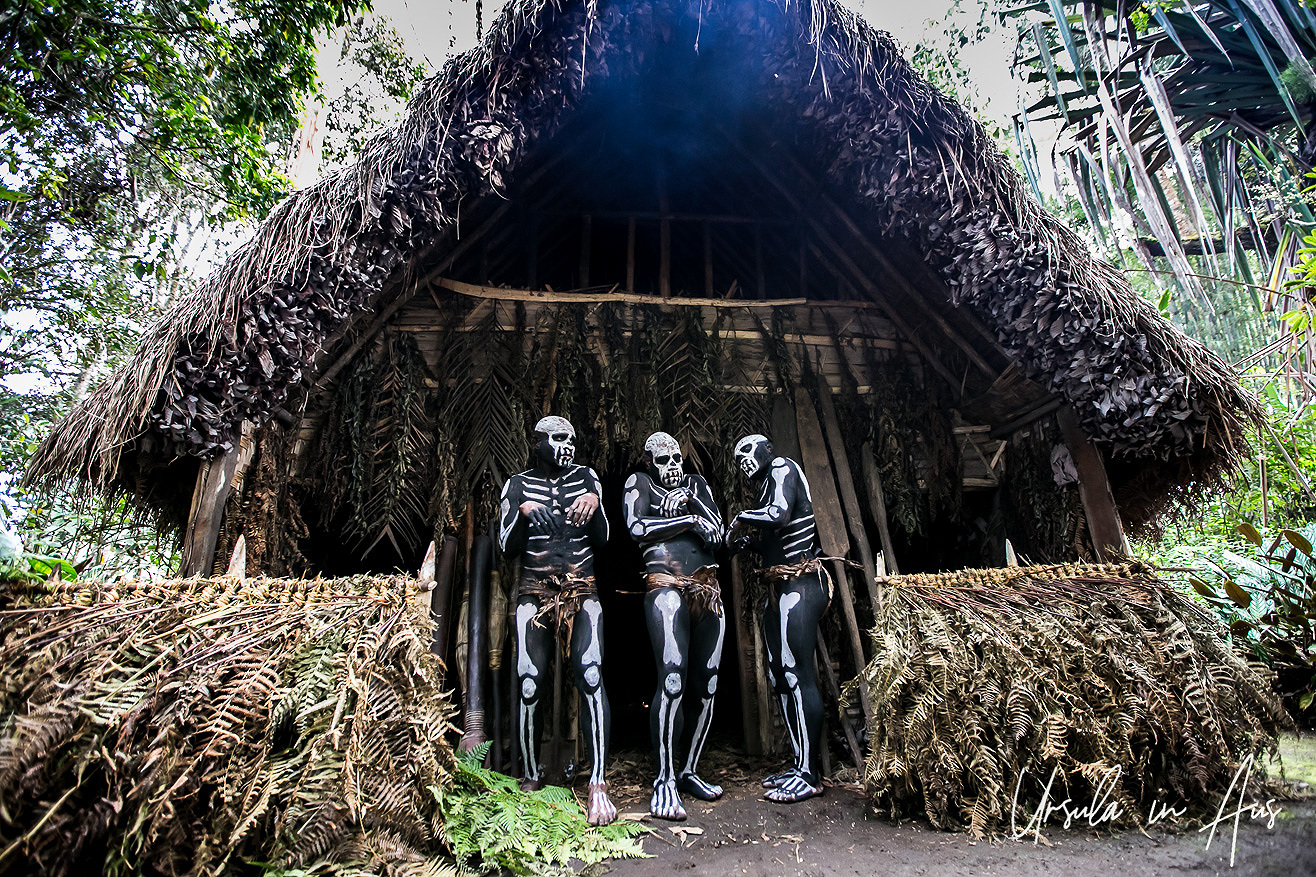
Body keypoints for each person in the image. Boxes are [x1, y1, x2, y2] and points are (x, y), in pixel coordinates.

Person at [497, 415, 616, 826]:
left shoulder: (587, 478)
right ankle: (531, 776)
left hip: (583, 590)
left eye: (572, 437)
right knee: (530, 681)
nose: (568, 444)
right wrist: (524, 511)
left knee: (592, 675)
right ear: (538, 442)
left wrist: (597, 502)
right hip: (535, 591)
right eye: (560, 438)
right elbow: (505, 545)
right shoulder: (516, 485)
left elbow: (603, 539)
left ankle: (598, 782)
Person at [622, 432, 726, 820]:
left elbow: (717, 531)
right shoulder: (639, 484)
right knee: (672, 679)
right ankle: (663, 777)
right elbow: (636, 530)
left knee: (709, 681)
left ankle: (688, 770)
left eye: (677, 459)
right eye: (663, 461)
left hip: (707, 590)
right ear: (649, 462)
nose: (673, 467)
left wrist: (693, 504)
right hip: (665, 588)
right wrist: (688, 521)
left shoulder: (696, 484)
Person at [728, 433, 829, 803]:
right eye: (737, 458)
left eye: (747, 452)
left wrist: (741, 519)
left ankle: (810, 772)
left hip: (800, 582)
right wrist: (750, 543)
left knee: (796, 672)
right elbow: (776, 536)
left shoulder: (783, 468)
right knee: (779, 673)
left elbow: (779, 515)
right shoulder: (767, 485)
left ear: (768, 449)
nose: (742, 461)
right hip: (779, 586)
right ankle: (798, 762)